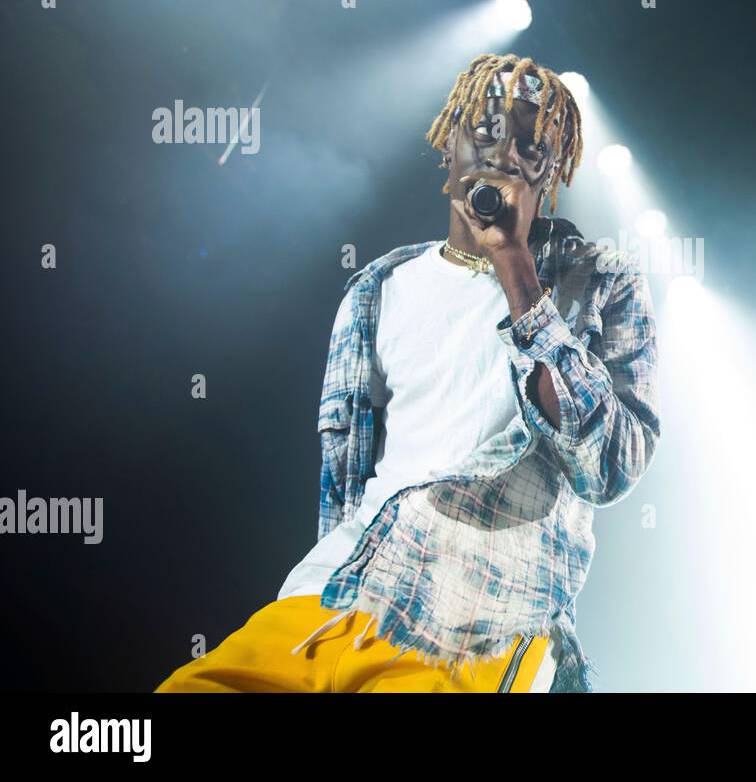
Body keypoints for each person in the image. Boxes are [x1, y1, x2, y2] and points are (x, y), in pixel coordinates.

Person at [155, 53, 661, 692]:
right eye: (482, 129)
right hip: (331, 597)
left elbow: (610, 464)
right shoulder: (377, 289)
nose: (501, 148)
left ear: (550, 168)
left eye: (528, 141)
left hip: (478, 614)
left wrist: (517, 271)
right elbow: (344, 483)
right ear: (446, 142)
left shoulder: (599, 281)